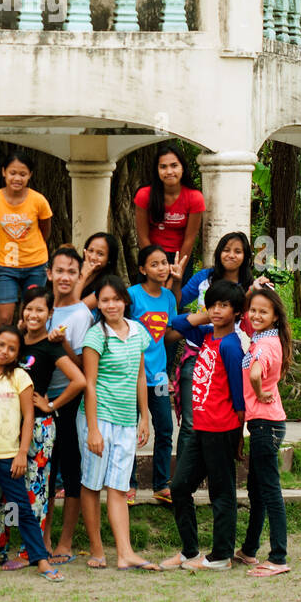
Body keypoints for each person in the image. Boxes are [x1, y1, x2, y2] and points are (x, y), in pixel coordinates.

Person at [0, 286, 86, 568]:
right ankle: (0, 547)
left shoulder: (51, 345)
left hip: (40, 430)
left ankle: (29, 550)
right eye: (29, 309)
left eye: (40, 310)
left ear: (50, 313)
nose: (33, 314)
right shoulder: (15, 341)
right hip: (8, 426)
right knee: (4, 489)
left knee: (35, 492)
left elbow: (79, 380)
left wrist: (51, 405)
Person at [0, 327, 64, 581]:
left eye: (11, 348)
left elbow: (29, 417)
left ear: (17, 354)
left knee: (21, 506)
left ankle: (40, 560)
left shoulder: (19, 376)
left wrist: (21, 453)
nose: (4, 351)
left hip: (8, 453)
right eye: (1, 344)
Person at [160, 279, 246, 572]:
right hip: (200, 428)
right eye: (213, 304)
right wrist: (208, 315)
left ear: (237, 312)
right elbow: (177, 323)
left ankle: (221, 555)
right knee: (181, 486)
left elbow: (239, 396)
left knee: (221, 493)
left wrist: (238, 435)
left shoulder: (232, 347)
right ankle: (189, 551)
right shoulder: (208, 336)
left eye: (224, 305)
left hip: (222, 429)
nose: (217, 310)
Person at [78, 275, 157, 570]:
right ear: (98, 304)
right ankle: (98, 551)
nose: (111, 305)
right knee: (92, 483)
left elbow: (140, 376)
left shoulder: (137, 331)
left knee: (119, 487)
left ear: (126, 301)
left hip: (127, 420)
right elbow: (90, 384)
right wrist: (93, 429)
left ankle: (125, 553)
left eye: (116, 299)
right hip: (99, 419)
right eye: (105, 300)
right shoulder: (95, 336)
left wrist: (144, 417)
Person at [173, 232, 260, 464]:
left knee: (225, 417)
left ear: (246, 256)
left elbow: (258, 321)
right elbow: (177, 302)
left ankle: (218, 474)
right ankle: (182, 480)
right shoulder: (204, 277)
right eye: (226, 249)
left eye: (238, 251)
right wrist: (176, 281)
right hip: (198, 352)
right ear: (218, 252)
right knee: (191, 423)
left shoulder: (250, 286)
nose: (231, 255)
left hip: (230, 354)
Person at [235, 286, 292, 577]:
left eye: (263, 311)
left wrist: (259, 392)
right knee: (257, 490)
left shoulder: (265, 345)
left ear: (274, 317)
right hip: (264, 424)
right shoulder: (264, 338)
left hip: (265, 424)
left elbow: (256, 373)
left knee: (269, 491)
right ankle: (248, 550)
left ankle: (279, 558)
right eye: (253, 309)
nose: (256, 315)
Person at [43, 245, 94, 562]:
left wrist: (62, 346)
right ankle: (43, 536)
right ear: (49, 273)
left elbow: (86, 371)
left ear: (79, 276)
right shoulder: (40, 306)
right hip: (38, 402)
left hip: (69, 404)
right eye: (59, 270)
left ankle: (65, 541)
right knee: (44, 473)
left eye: (71, 272)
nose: (64, 277)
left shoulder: (81, 315)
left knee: (71, 472)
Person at [127, 244, 186, 506]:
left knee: (164, 427)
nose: (161, 268)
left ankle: (161, 485)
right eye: (154, 264)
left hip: (159, 376)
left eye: (164, 262)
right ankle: (127, 485)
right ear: (142, 269)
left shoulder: (169, 297)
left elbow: (168, 333)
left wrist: (192, 327)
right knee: (130, 428)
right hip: (131, 375)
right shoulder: (131, 296)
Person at [0, 151, 52, 327]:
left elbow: (45, 231)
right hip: (7, 267)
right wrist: (4, 248)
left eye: (23, 174)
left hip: (36, 265)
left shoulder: (38, 200)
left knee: (31, 316)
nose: (17, 178)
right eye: (13, 173)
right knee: (5, 316)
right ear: (3, 172)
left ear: (30, 175)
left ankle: (28, 352)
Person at [134, 142, 205, 269]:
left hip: (180, 257)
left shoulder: (195, 198)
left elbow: (189, 240)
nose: (169, 171)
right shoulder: (144, 195)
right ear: (157, 170)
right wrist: (155, 266)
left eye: (174, 166)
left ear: (182, 168)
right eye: (163, 167)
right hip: (150, 255)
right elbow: (142, 237)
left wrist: (178, 270)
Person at [76, 231, 120, 302]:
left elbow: (73, 308)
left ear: (109, 259)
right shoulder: (73, 271)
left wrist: (84, 275)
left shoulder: (108, 284)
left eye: (100, 254)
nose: (93, 257)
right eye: (90, 251)